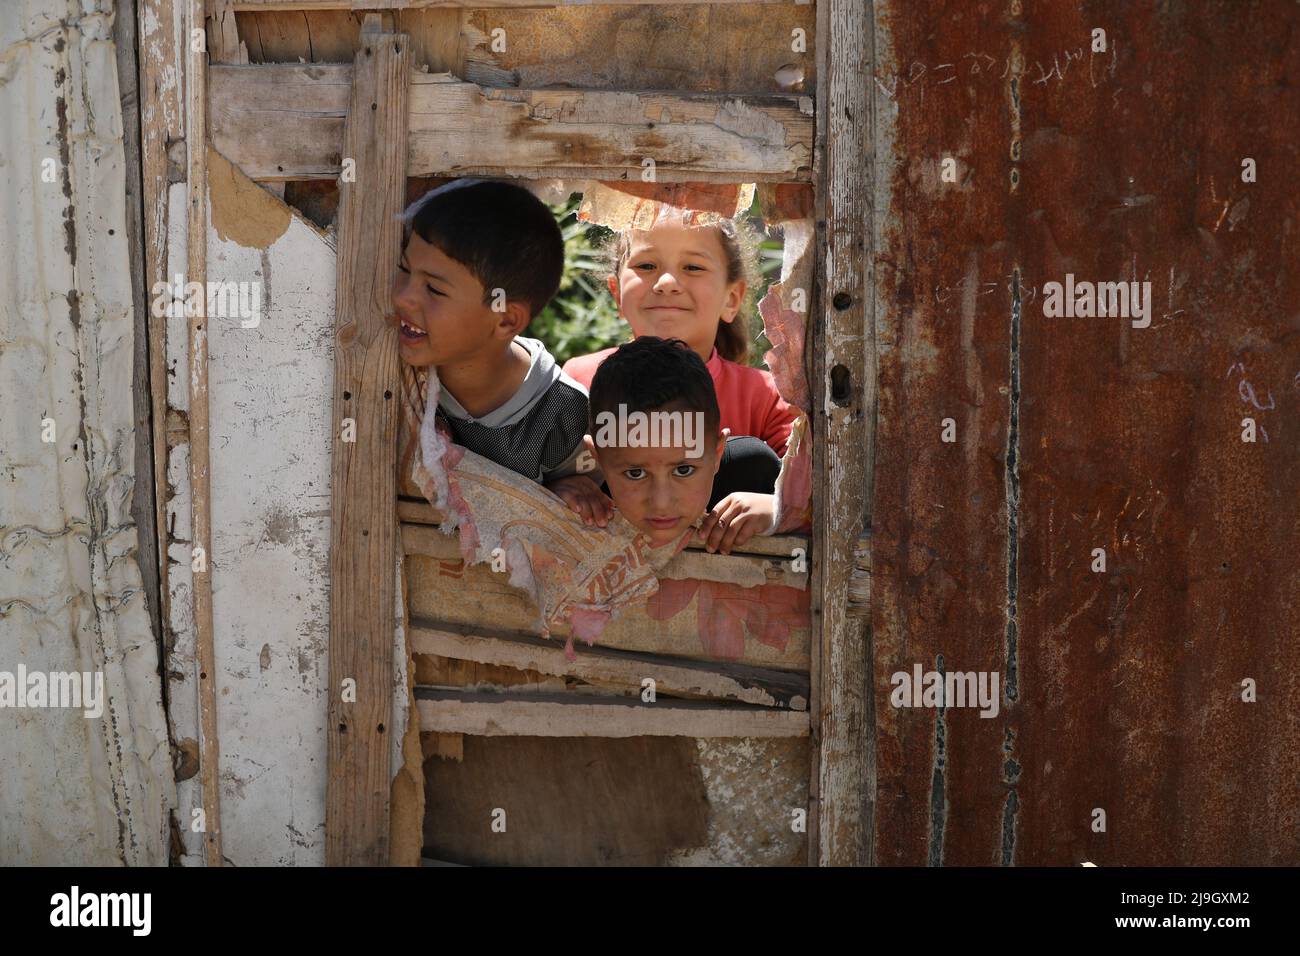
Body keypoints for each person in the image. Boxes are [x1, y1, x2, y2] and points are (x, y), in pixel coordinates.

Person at [392, 179, 592, 489]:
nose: (404, 297)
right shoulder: (392, 369)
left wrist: (574, 491)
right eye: (404, 270)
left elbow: (584, 493)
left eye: (433, 288)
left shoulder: (561, 412)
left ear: (506, 320)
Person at [562, 215, 800, 458]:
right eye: (646, 266)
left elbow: (807, 487)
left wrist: (770, 498)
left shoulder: (768, 399)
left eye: (693, 267)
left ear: (731, 299)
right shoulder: (577, 383)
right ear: (618, 295)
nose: (667, 283)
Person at [579, 337, 777, 555]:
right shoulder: (586, 496)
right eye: (635, 473)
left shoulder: (754, 474)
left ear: (717, 453)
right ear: (597, 459)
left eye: (683, 470)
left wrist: (781, 512)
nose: (661, 503)